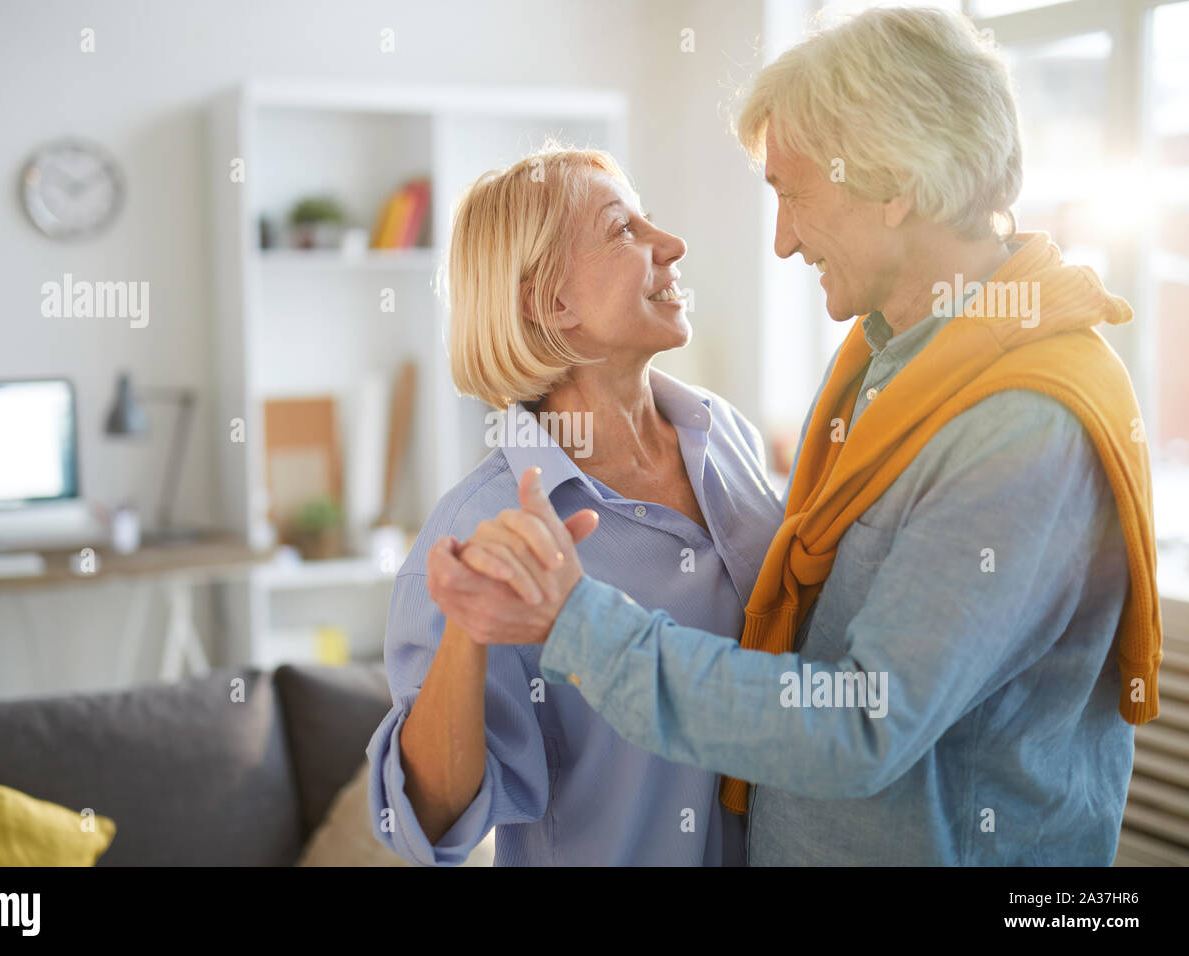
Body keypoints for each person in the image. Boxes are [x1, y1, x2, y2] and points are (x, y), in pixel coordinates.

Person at [425, 6, 1162, 865]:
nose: (779, 242)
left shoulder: (1018, 423)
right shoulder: (887, 365)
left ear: (896, 185)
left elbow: (858, 723)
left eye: (793, 192)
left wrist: (579, 623)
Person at [365, 145, 784, 865]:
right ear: (546, 300)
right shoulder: (478, 529)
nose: (672, 245)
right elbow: (429, 822)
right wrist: (470, 628)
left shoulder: (725, 435)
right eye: (624, 230)